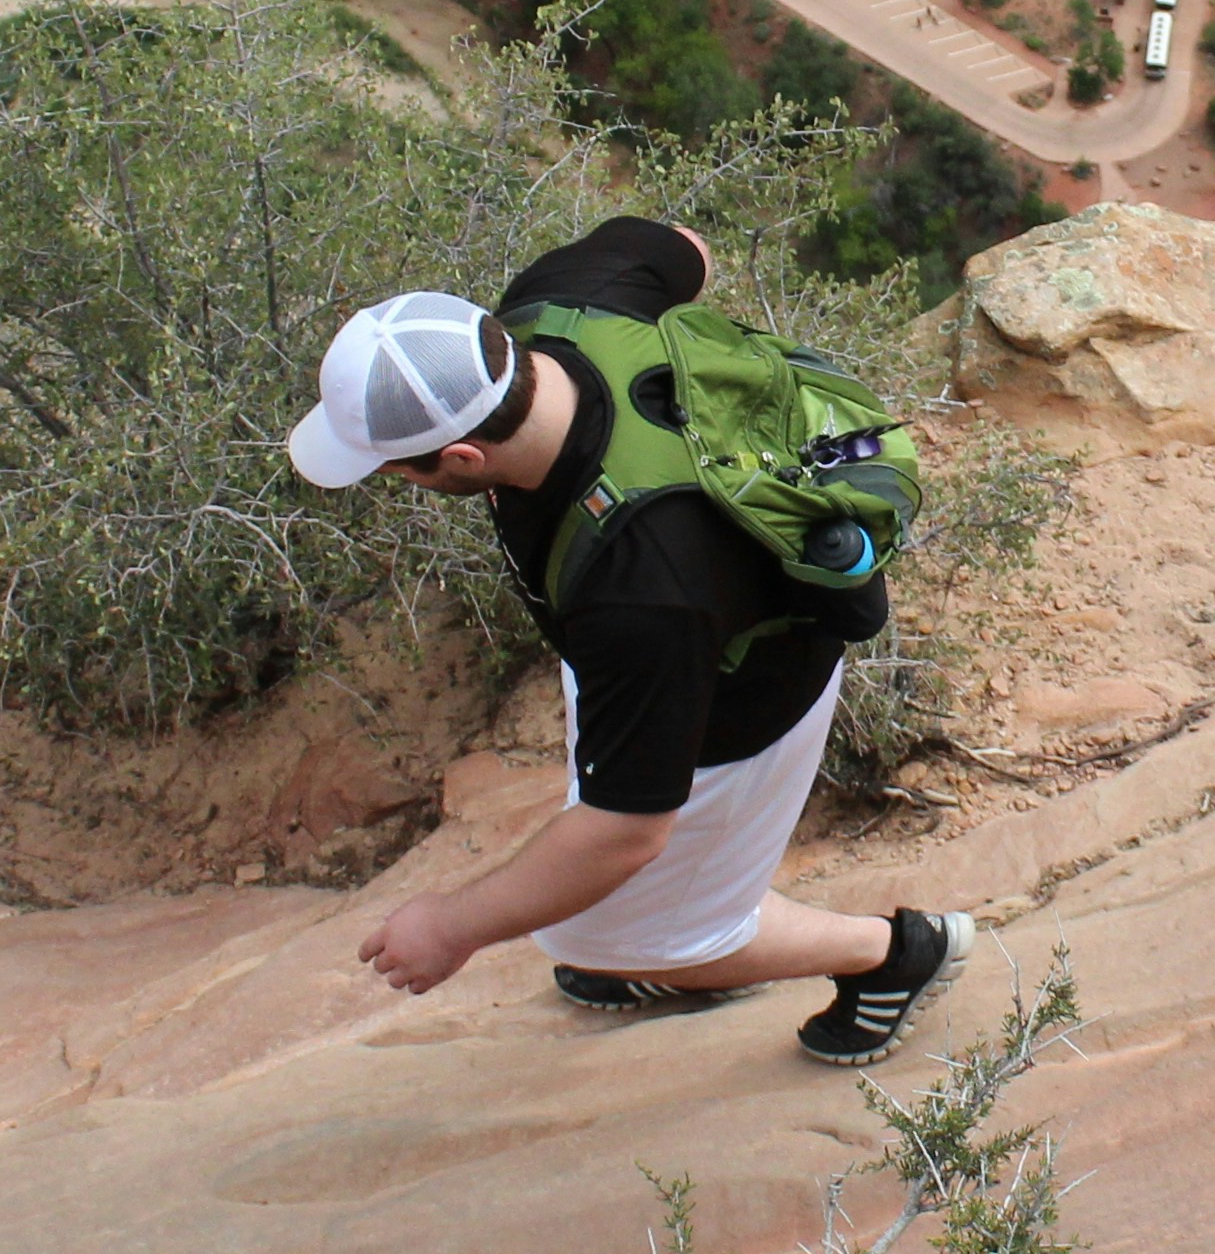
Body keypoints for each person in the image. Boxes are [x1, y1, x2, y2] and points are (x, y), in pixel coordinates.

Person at [283, 215, 968, 1064]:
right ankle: (647, 941)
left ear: (460, 459)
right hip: (660, 647)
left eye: (395, 469)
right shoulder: (565, 303)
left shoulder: (642, 592)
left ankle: (894, 954)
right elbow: (685, 244)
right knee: (594, 904)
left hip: (738, 707)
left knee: (619, 933)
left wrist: (450, 927)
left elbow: (628, 830)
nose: (394, 483)